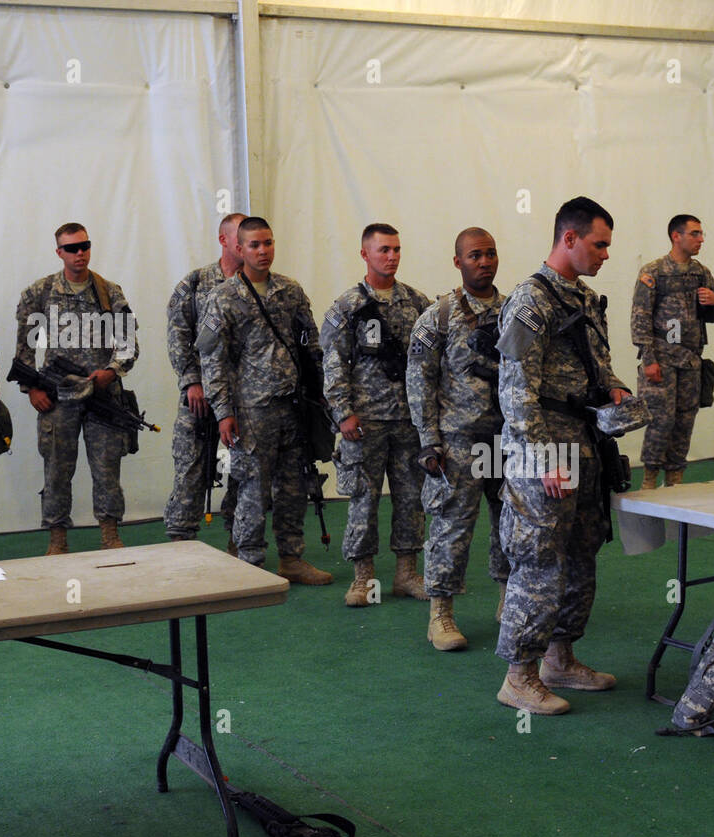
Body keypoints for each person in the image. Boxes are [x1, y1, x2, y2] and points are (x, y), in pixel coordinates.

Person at [494, 196, 630, 715]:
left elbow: (599, 368)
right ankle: (519, 676)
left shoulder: (587, 301)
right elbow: (514, 388)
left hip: (586, 445)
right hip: (545, 451)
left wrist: (616, 391)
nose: (605, 254)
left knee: (581, 554)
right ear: (568, 239)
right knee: (539, 560)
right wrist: (540, 457)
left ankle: (559, 658)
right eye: (599, 244)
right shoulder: (530, 301)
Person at [195, 216, 333, 584]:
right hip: (250, 411)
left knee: (294, 487)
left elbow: (311, 344)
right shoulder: (222, 298)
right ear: (238, 249)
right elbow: (212, 360)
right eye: (254, 245)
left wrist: (320, 392)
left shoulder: (290, 291)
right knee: (253, 489)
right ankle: (250, 563)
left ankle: (291, 558)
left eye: (268, 243)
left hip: (292, 407)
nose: (263, 251)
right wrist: (223, 412)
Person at [407, 227, 509, 650]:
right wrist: (429, 440)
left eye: (489, 254)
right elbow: (419, 380)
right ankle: (441, 615)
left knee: (510, 524)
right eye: (474, 256)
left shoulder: (514, 311)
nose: (483, 262)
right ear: (458, 262)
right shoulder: (439, 316)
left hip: (504, 439)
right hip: (458, 443)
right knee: (452, 527)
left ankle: (509, 601)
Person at [320, 224, 431, 606]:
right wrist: (343, 414)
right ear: (364, 254)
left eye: (397, 249)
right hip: (364, 423)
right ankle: (364, 578)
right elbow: (333, 364)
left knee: (411, 498)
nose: (392, 256)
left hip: (409, 421)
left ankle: (406, 573)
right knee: (363, 499)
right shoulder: (347, 306)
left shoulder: (417, 303)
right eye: (383, 249)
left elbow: (430, 362)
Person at [13, 223, 138, 553]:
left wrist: (112, 371)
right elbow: (25, 349)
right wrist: (32, 389)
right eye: (71, 248)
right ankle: (57, 539)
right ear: (59, 253)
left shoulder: (108, 291)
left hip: (101, 397)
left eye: (84, 245)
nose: (79, 252)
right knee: (56, 470)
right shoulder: (40, 292)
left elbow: (127, 343)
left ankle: (110, 536)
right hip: (57, 399)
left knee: (107, 468)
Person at [163, 212, 246, 545]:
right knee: (190, 467)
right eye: (239, 237)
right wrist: (191, 381)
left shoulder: (259, 286)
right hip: (200, 397)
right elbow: (177, 336)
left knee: (243, 472)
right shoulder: (195, 284)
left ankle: (239, 541)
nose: (246, 244)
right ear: (224, 240)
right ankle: (182, 543)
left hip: (245, 398)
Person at [632, 214, 714, 489]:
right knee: (661, 421)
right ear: (676, 236)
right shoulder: (654, 272)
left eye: (701, 233)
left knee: (684, 422)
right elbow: (640, 318)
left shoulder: (701, 273)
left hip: (691, 361)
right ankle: (649, 480)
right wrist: (649, 360)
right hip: (661, 359)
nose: (701, 239)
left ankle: (674, 481)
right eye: (694, 233)